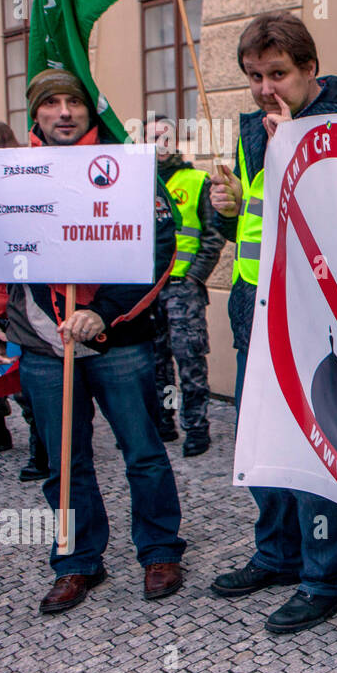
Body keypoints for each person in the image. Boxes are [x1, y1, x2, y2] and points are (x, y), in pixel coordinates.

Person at [0, 69, 185, 613]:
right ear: (36, 115)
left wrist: (103, 312)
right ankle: (76, 563)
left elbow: (159, 248)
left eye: (74, 101)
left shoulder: (127, 166)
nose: (64, 112)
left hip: (119, 344)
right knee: (65, 464)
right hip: (45, 347)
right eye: (52, 104)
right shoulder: (13, 172)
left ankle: (160, 551)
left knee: (142, 453)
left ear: (90, 111)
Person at [208, 11, 337, 634]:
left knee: (317, 443)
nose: (264, 87)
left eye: (278, 73)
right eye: (253, 76)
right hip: (256, 304)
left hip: (320, 313)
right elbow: (253, 222)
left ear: (310, 69)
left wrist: (295, 138)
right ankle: (277, 555)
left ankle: (327, 577)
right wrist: (223, 211)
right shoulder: (255, 130)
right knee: (265, 441)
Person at [0, 120, 49, 480]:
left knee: (19, 371)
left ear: (0, 145)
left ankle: (43, 444)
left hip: (11, 287)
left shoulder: (14, 183)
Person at [147, 114, 222, 457]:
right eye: (152, 138)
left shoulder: (197, 180)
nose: (159, 144)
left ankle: (196, 428)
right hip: (148, 291)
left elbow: (213, 233)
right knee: (157, 362)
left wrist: (195, 276)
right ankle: (165, 422)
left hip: (183, 287)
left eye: (166, 137)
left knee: (189, 359)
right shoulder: (137, 182)